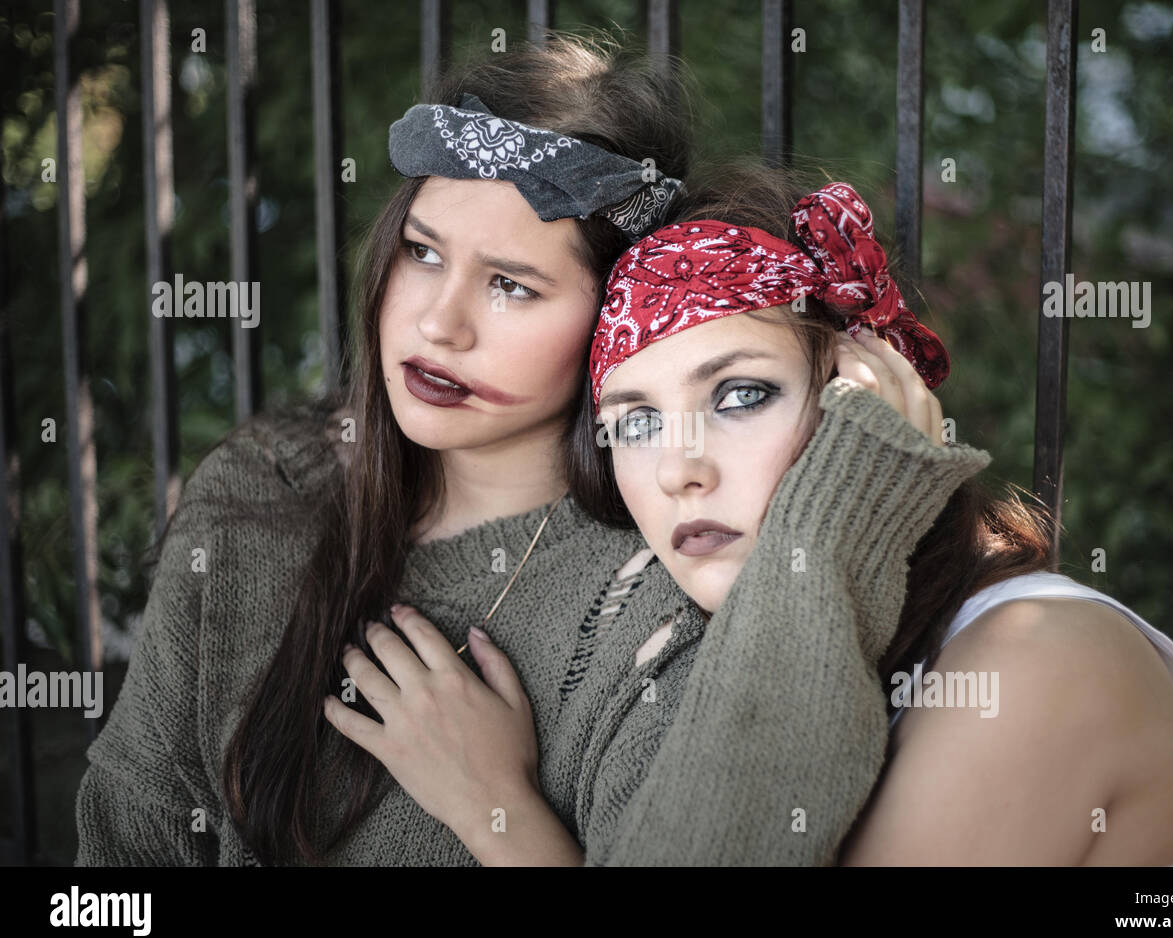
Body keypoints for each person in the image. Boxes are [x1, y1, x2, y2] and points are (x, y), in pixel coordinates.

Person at [74, 35, 979, 867]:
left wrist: (498, 807)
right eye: (424, 253)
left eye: (512, 285)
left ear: (614, 321)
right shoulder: (264, 484)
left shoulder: (668, 578)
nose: (437, 322)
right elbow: (125, 843)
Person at [346, 160, 1173, 866]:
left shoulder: (1033, 662)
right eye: (635, 421)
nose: (681, 471)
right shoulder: (779, 651)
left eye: (742, 395)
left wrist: (495, 812)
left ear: (868, 396)